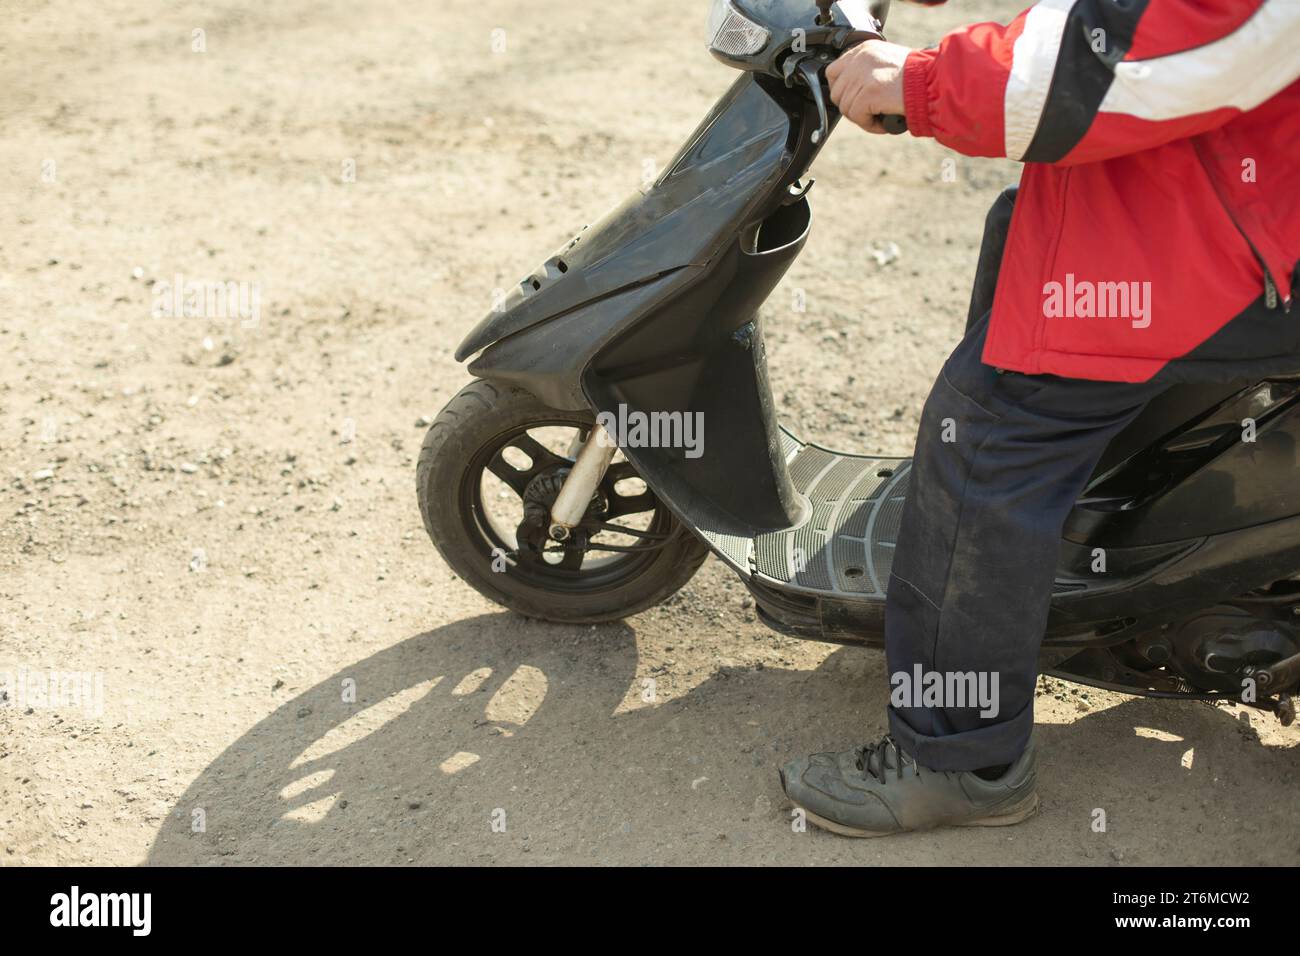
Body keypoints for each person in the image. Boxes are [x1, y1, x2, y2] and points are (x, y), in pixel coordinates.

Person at [778, 0, 1300, 837]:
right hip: (1236, 175)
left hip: (1252, 233)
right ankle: (1027, 576)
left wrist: (923, 81)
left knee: (988, 434)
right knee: (1015, 227)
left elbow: (1129, 54)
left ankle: (958, 758)